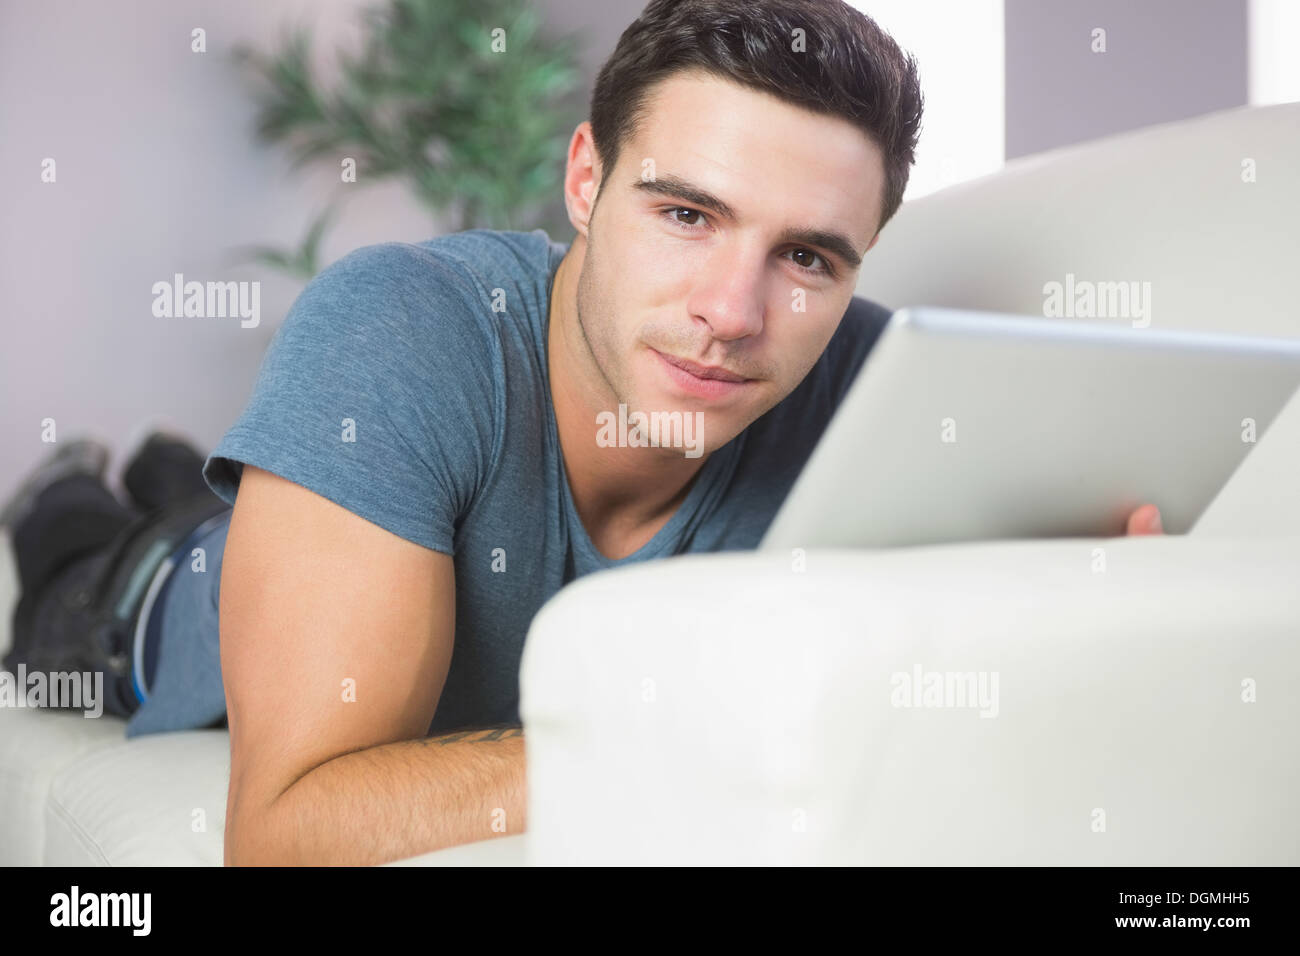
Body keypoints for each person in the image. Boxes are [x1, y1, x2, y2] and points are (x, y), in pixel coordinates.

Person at [5, 0, 1163, 866]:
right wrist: (685, 728)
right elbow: (287, 824)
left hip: (349, 515)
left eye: (806, 256)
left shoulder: (893, 387)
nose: (732, 313)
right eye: (684, 214)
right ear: (582, 179)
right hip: (147, 607)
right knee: (100, 546)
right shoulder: (401, 324)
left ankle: (180, 469)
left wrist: (1074, 621)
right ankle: (77, 498)